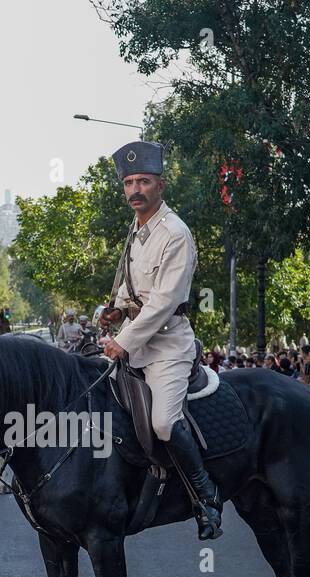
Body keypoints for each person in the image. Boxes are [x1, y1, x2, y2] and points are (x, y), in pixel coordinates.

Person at [99, 139, 220, 540]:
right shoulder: (136, 231)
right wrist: (116, 310)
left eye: (144, 181)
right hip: (134, 341)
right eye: (129, 182)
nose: (135, 189)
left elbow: (165, 301)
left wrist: (124, 340)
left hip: (167, 346)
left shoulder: (175, 233)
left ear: (161, 185)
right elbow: (132, 288)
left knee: (165, 422)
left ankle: (205, 495)